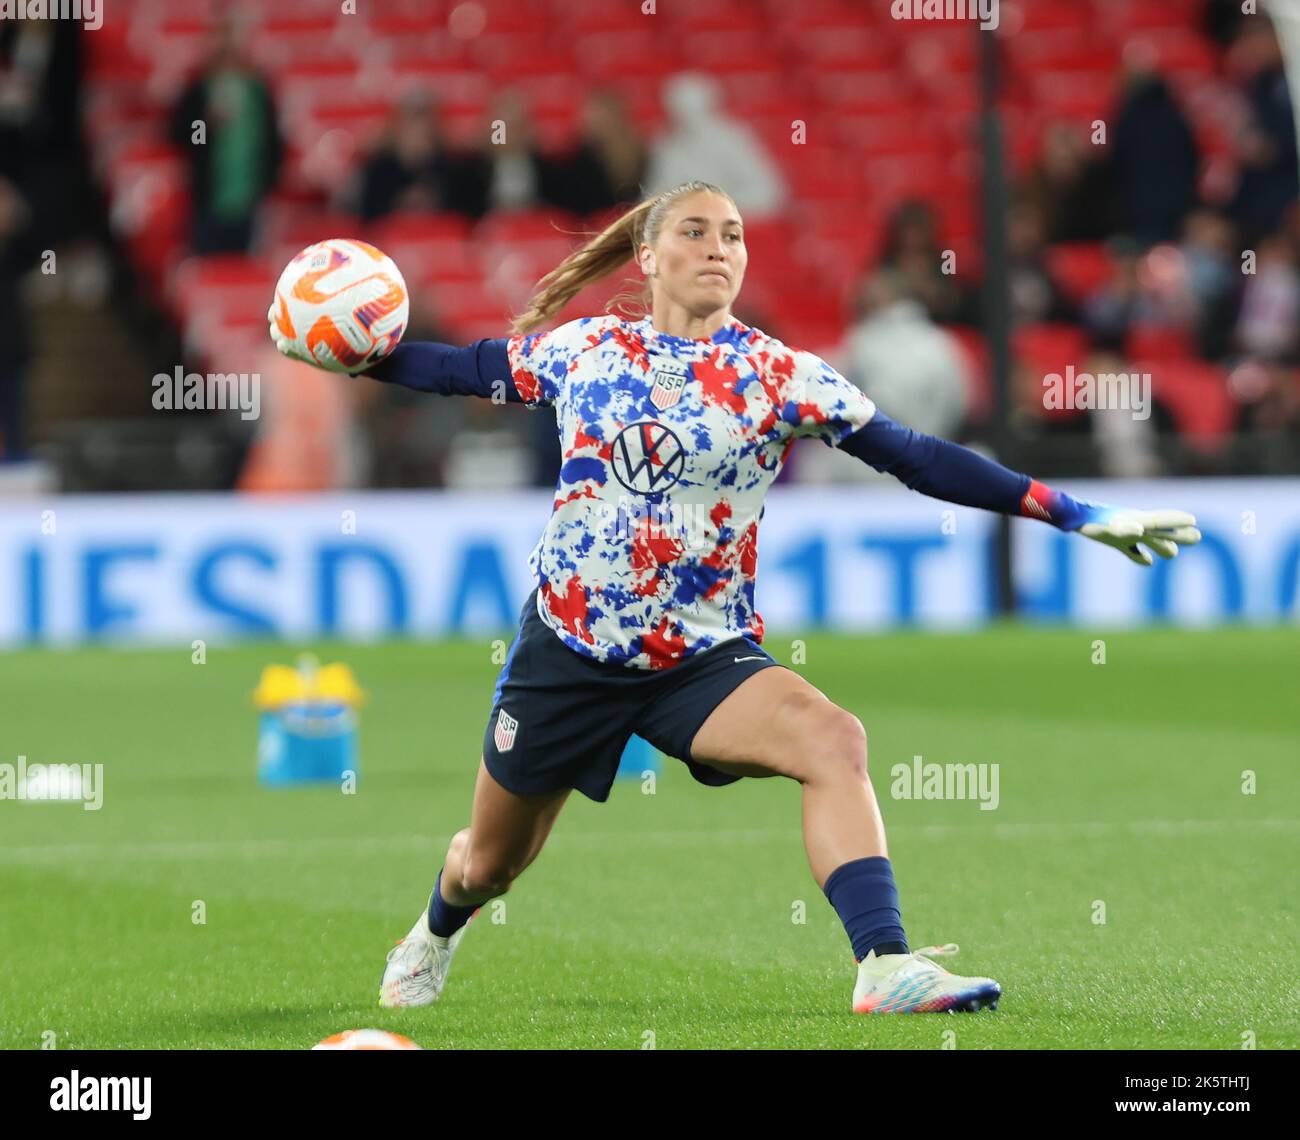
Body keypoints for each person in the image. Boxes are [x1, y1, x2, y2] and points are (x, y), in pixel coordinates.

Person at [270, 180, 1203, 1015]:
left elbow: (919, 458)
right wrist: (344, 353)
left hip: (701, 659)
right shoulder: (583, 351)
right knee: (489, 865)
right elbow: (453, 368)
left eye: (734, 235)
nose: (719, 247)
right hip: (567, 650)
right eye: (695, 231)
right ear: (649, 256)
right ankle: (433, 934)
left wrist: (1069, 510)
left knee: (833, 739)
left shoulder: (781, 376)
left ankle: (883, 964)